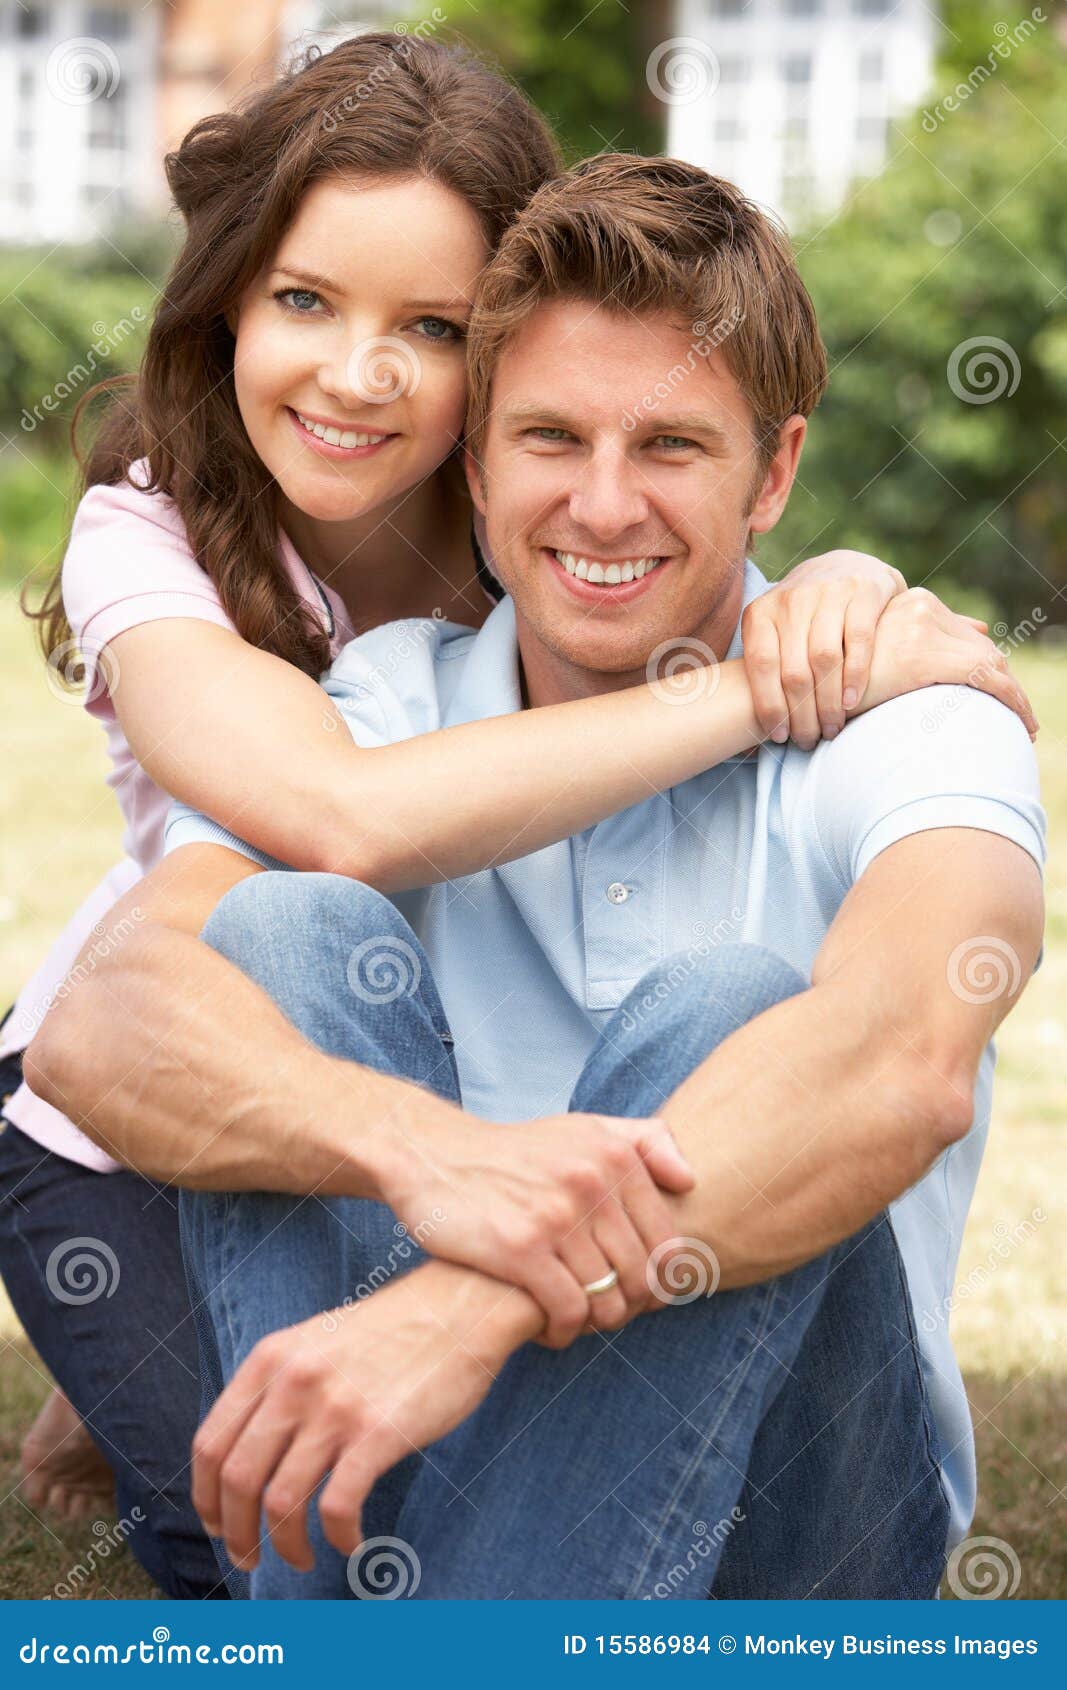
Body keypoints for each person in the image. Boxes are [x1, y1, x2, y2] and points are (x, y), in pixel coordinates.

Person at [26, 152, 1045, 1600]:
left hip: (801, 1535)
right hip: (409, 1494)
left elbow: (904, 1055)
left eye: (674, 446)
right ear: (480, 460)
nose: (606, 504)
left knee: (734, 1016)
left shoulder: (906, 698)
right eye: (553, 437)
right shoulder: (379, 704)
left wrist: (475, 1301)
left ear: (780, 469)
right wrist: (416, 1153)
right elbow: (107, 1023)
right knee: (285, 930)